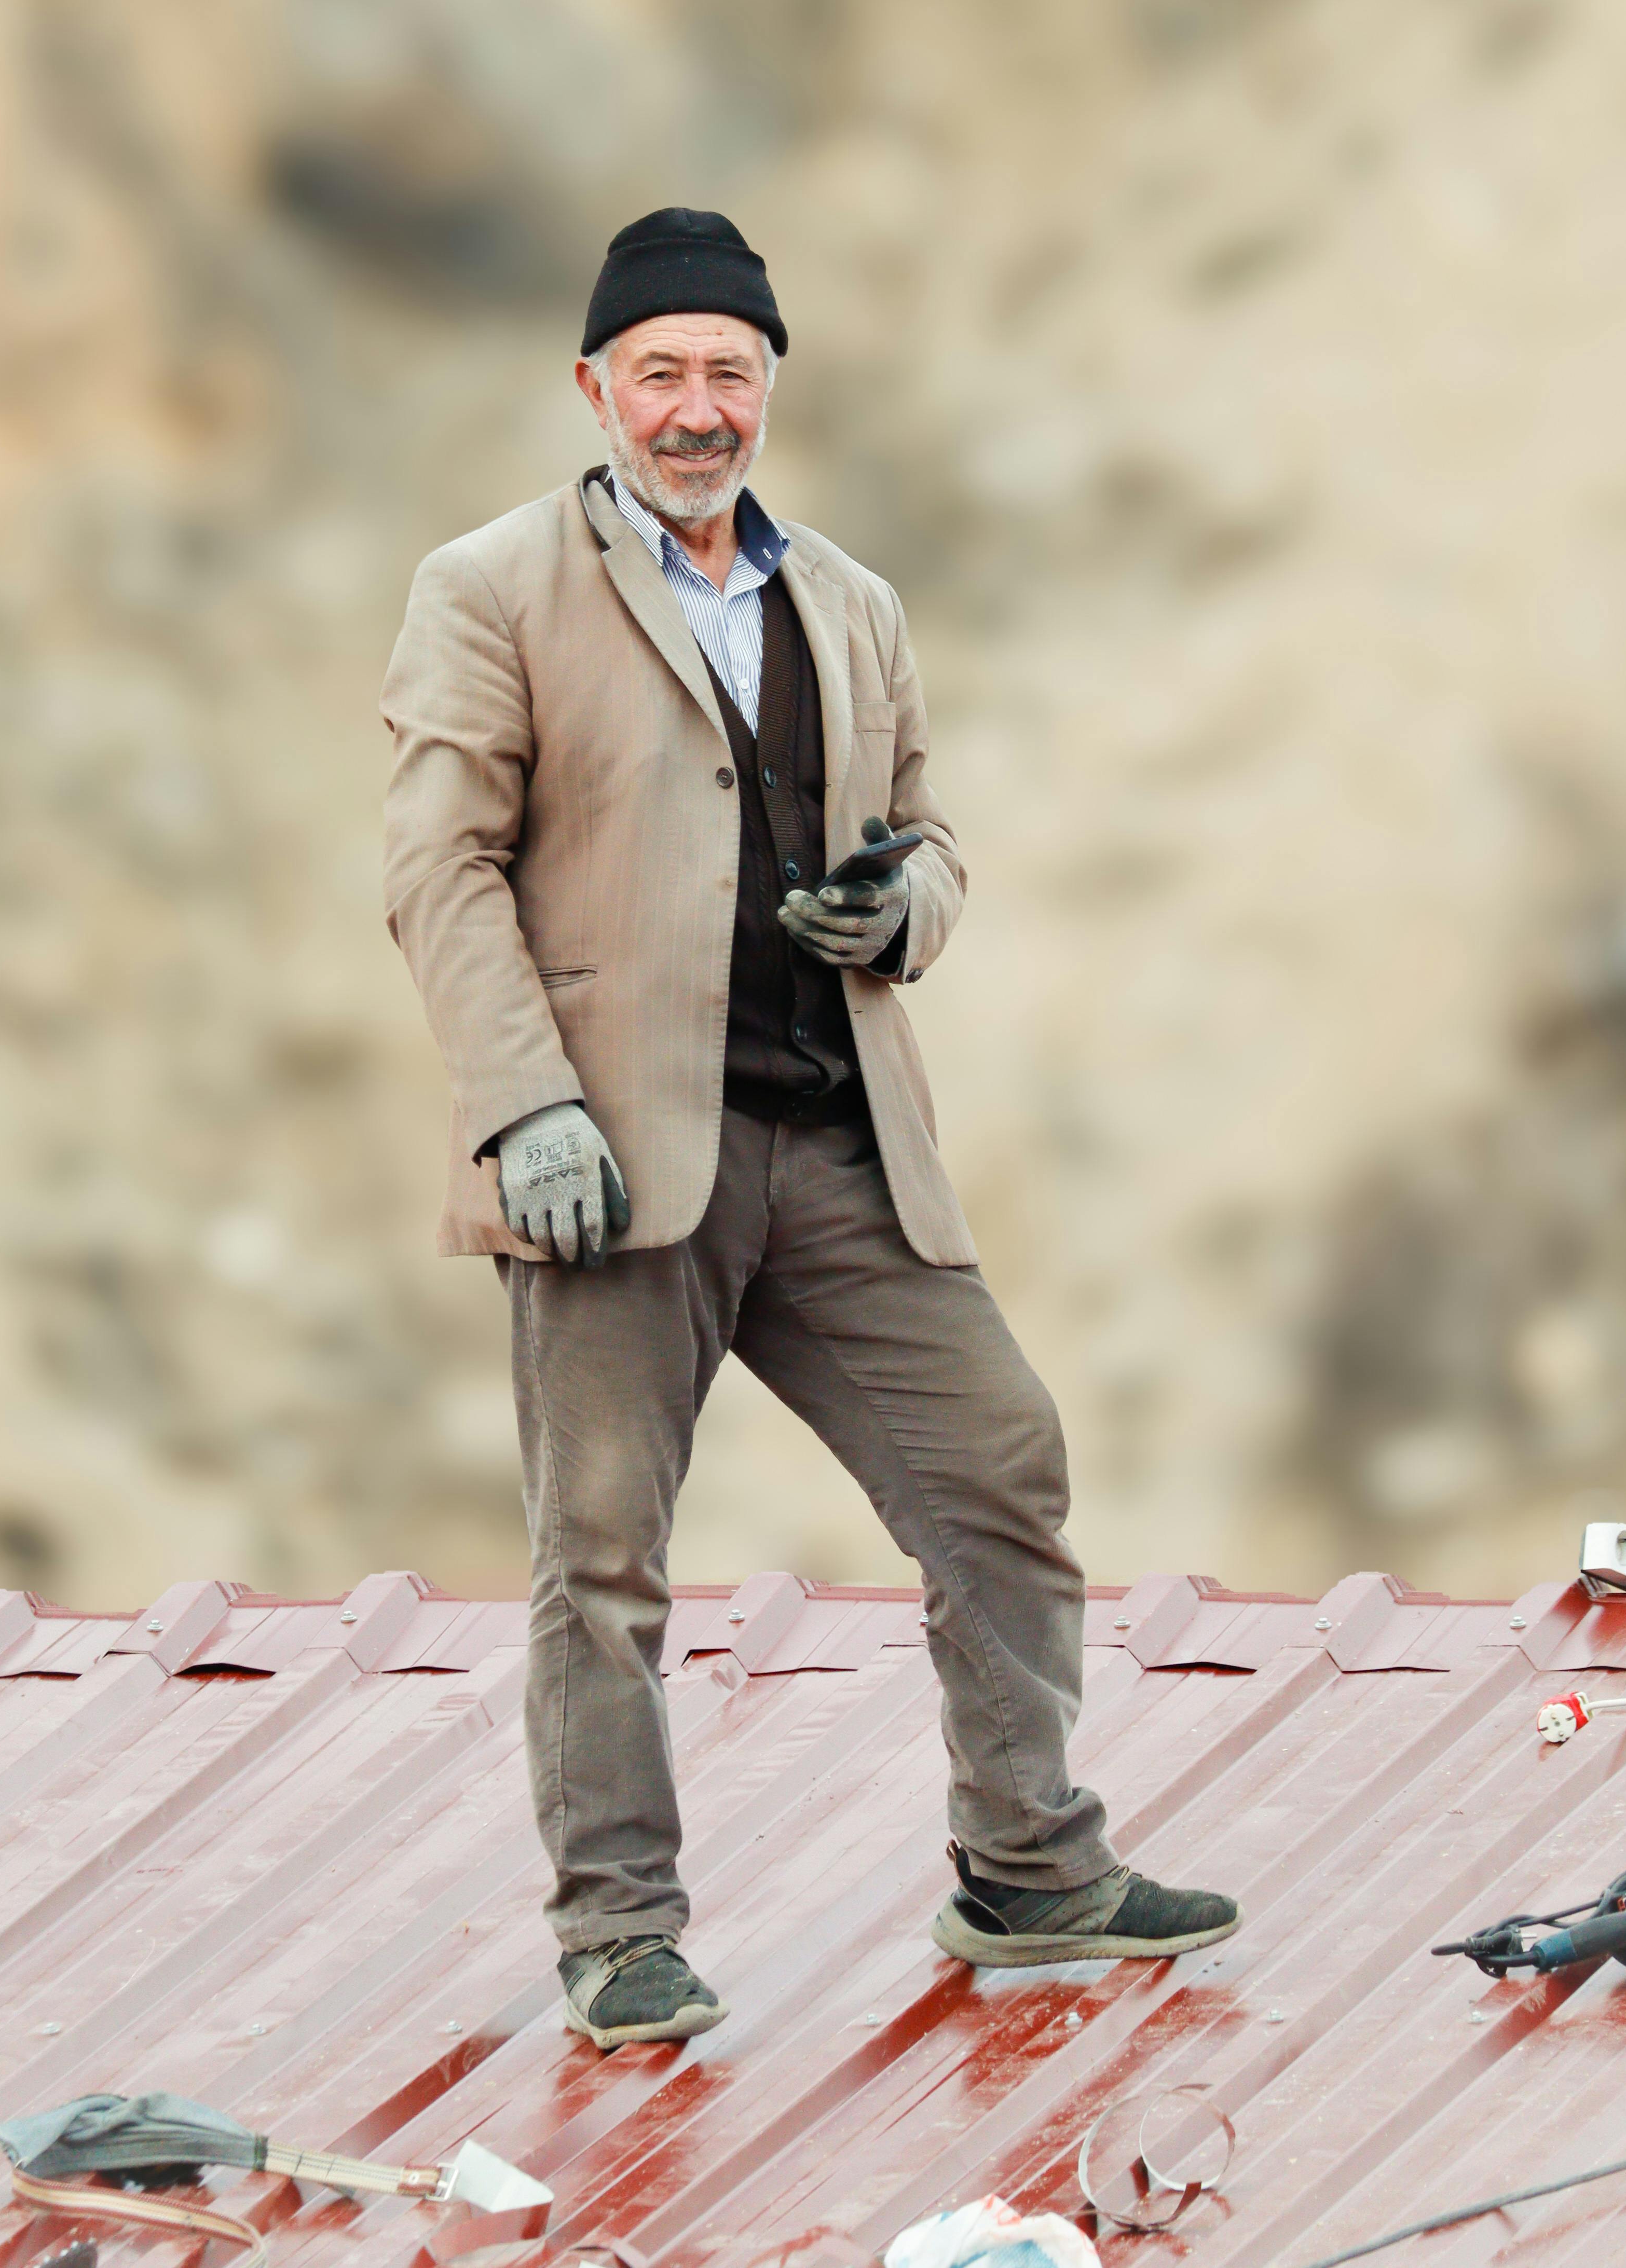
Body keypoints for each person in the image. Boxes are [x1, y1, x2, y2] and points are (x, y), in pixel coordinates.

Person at [381, 206, 1239, 2052]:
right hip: (613, 1167)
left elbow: (930, 834)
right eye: (665, 372)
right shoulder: (490, 588)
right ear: (596, 387)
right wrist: (525, 1105)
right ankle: (621, 1935)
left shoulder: (849, 603)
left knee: (1002, 1468)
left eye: (732, 373)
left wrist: (901, 908)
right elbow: (438, 873)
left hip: (840, 1145)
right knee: (601, 1557)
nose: (699, 408)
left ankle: (1028, 1868)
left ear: (771, 386)